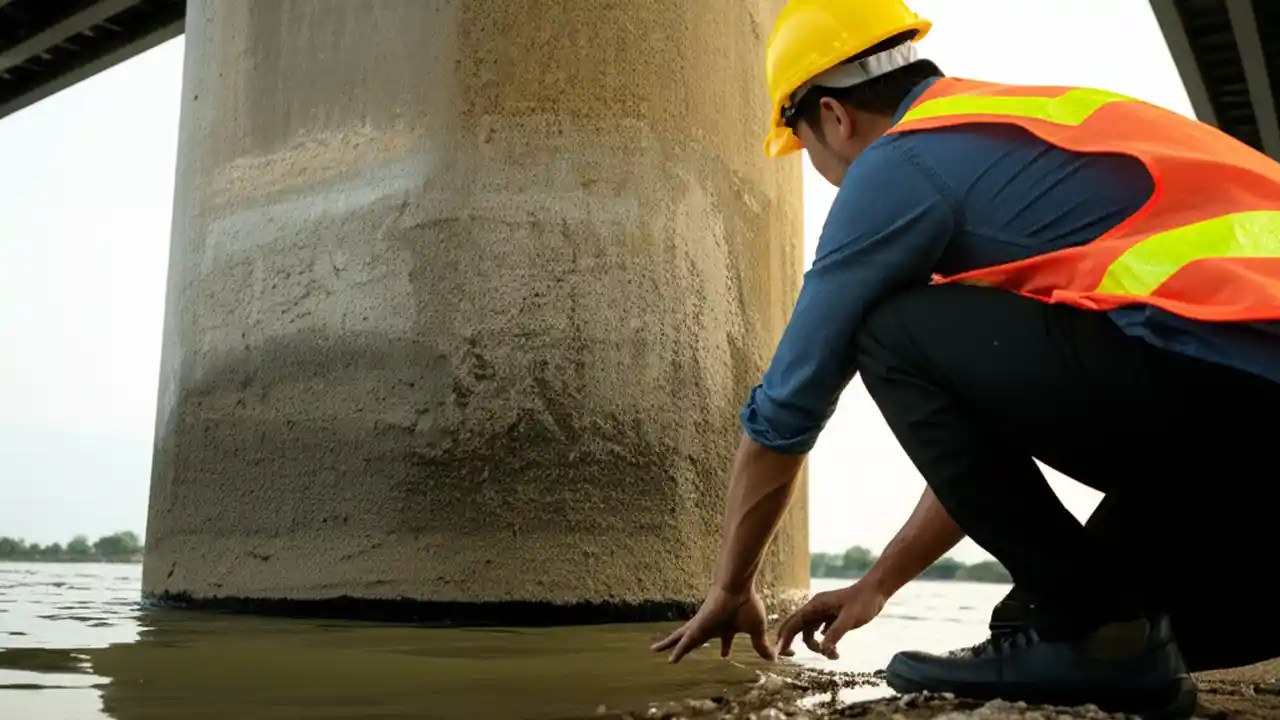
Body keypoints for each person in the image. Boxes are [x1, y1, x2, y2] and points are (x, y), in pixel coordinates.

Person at [649, 1, 1280, 717]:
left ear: (832, 116)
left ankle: (1094, 636)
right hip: (1245, 425)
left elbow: (787, 408)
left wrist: (733, 588)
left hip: (1237, 401)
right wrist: (877, 583)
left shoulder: (902, 162)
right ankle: (1101, 644)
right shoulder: (1021, 140)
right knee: (1036, 625)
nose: (823, 171)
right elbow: (981, 440)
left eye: (804, 148)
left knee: (886, 330)